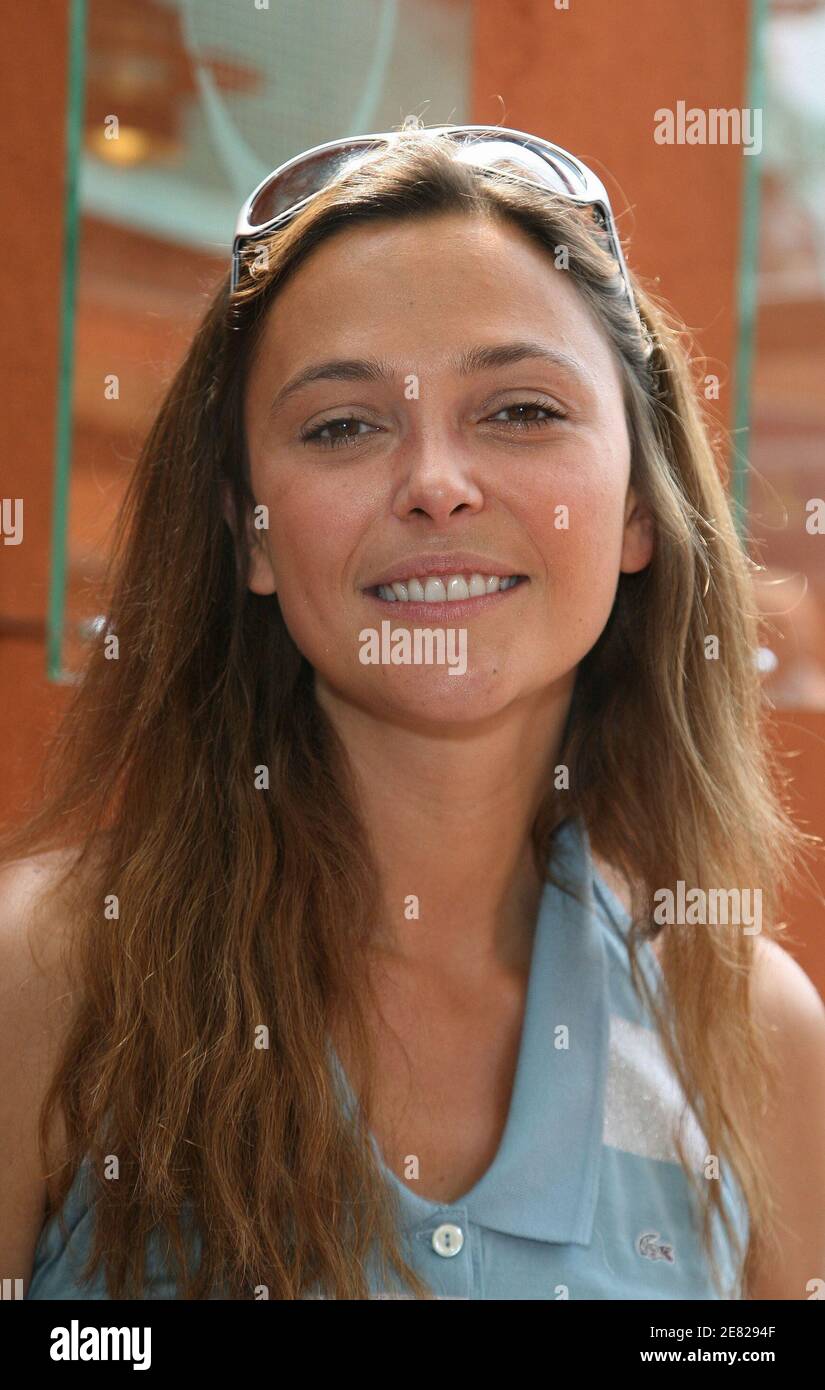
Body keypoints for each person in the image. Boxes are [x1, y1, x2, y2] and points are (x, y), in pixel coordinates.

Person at [2, 120, 824, 1301]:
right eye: (343, 425)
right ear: (252, 535)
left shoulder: (754, 1037)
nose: (437, 481)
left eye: (521, 410)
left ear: (640, 509)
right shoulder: (46, 976)